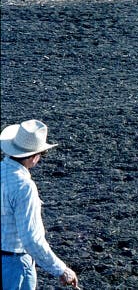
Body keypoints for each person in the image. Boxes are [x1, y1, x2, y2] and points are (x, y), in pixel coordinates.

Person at [1, 119, 79, 289]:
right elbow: (31, 239)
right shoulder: (24, 186)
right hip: (14, 266)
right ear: (34, 157)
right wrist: (61, 270)